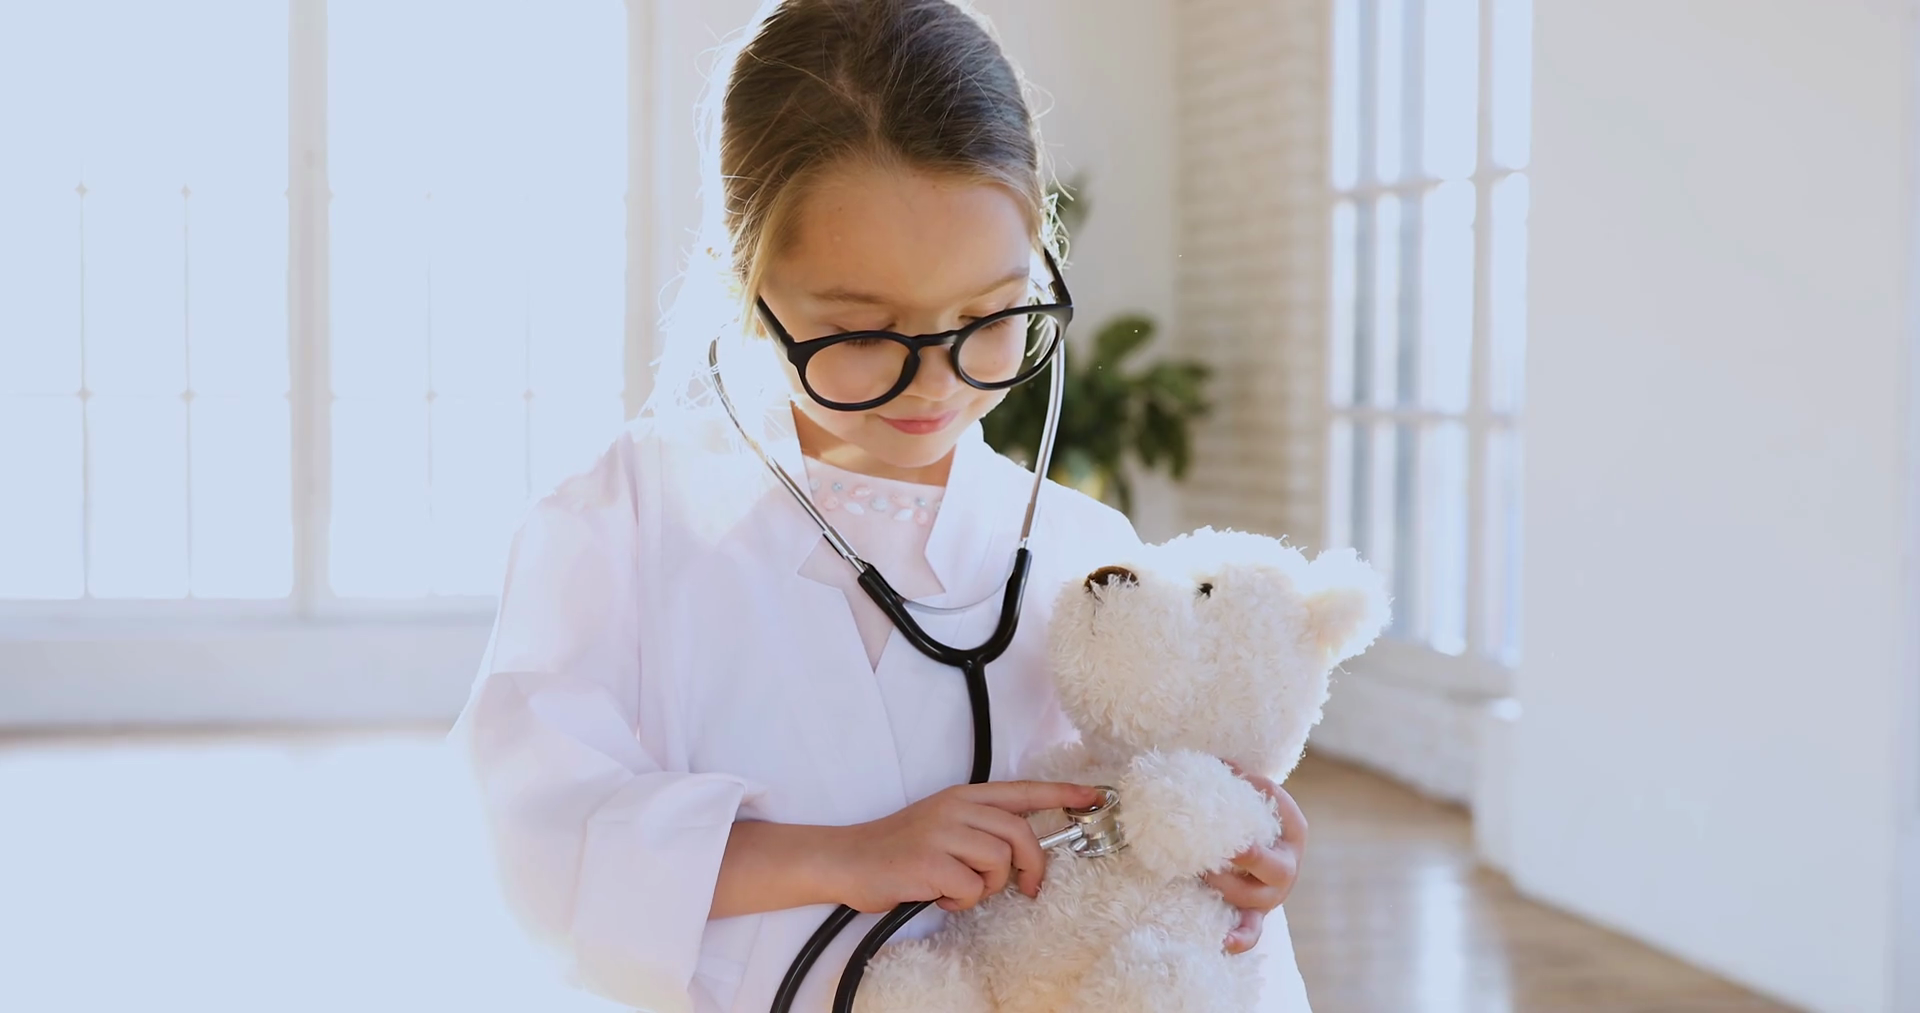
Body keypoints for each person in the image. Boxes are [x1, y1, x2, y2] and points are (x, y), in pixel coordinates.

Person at [451, 1, 1313, 1010]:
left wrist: (1233, 864)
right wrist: (842, 857)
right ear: (748, 280)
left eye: (989, 316)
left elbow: (1147, 877)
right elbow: (538, 832)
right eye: (862, 329)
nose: (936, 382)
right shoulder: (622, 523)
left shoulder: (1090, 558)